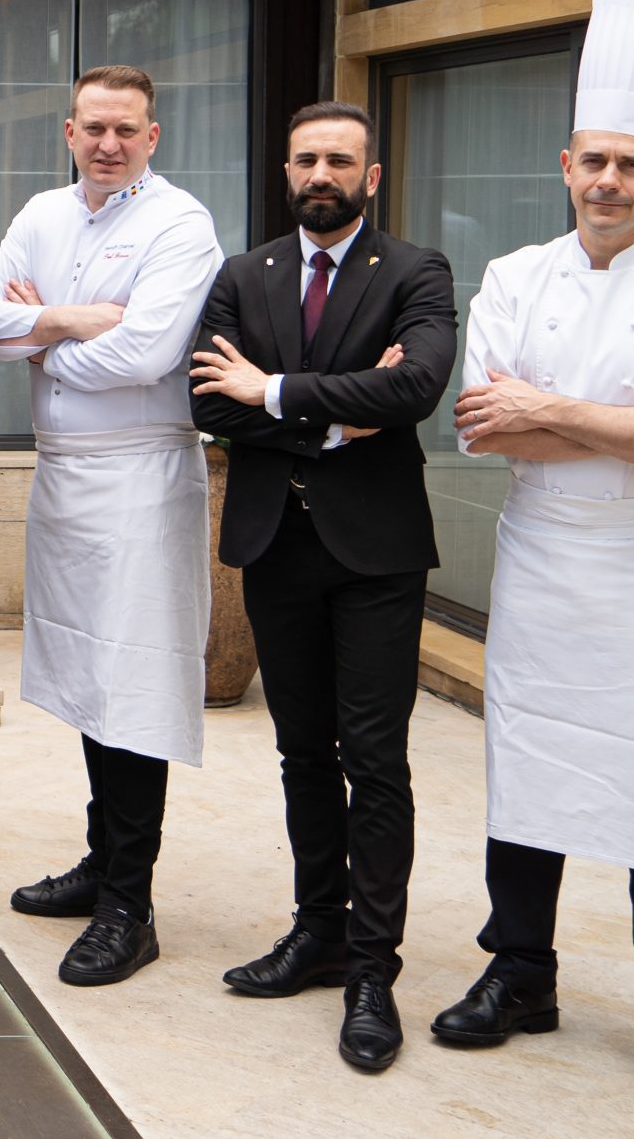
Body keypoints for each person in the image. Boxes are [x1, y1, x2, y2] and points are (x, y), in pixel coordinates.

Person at [428, 0, 634, 1120]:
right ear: (563, 164)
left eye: (632, 164)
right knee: (527, 778)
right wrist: (624, 412)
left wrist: (554, 406)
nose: (608, 180)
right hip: (542, 562)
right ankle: (520, 976)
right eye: (593, 161)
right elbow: (482, 428)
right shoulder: (516, 276)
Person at [189, 101, 457, 1072]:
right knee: (302, 751)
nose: (319, 172)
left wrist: (272, 389)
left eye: (339, 159)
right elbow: (202, 397)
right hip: (277, 545)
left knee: (373, 758)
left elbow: (417, 385)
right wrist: (339, 418)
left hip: (376, 552)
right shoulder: (244, 272)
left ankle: (372, 972)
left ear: (370, 175)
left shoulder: (415, 271)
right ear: (286, 166)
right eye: (305, 156)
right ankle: (319, 933)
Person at [0, 64, 225, 986]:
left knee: (136, 690)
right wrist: (71, 320)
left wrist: (38, 342)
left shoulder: (180, 223)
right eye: (93, 129)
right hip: (64, 481)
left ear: (153, 137)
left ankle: (132, 903)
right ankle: (99, 861)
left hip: (144, 480)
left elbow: (149, 350)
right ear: (68, 132)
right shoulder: (42, 213)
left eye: (127, 130)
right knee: (85, 680)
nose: (109, 144)